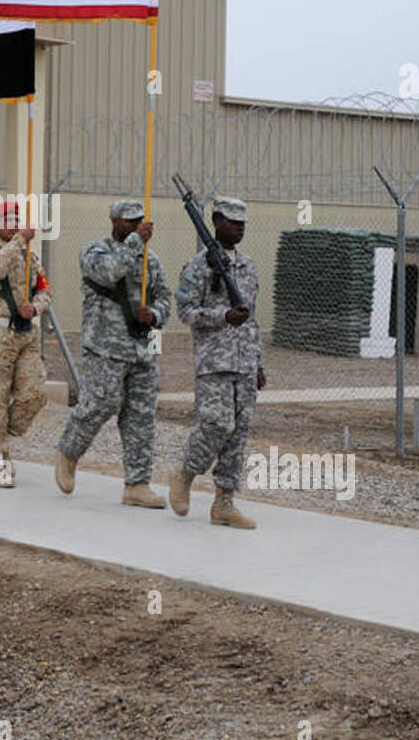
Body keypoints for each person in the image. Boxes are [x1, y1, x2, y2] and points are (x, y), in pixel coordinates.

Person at [56, 199, 170, 507]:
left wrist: (155, 315)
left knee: (141, 417)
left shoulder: (151, 260)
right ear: (114, 221)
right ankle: (69, 452)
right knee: (99, 404)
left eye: (139, 222)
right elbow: (109, 273)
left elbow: (165, 296)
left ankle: (137, 484)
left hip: (142, 349)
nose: (135, 226)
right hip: (106, 346)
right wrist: (135, 242)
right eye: (129, 221)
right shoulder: (95, 251)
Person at [168, 197, 266, 530]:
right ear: (216, 222)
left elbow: (252, 319)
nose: (238, 227)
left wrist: (259, 363)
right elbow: (186, 312)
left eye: (243, 223)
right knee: (215, 424)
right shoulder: (197, 266)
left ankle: (224, 502)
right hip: (214, 361)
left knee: (238, 434)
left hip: (245, 363)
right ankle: (185, 474)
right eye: (232, 221)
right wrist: (223, 316)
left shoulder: (248, 266)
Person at [0, 200, 50, 488]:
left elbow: (43, 290)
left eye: (17, 220)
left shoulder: (31, 257)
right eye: (8, 220)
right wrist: (18, 241)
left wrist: (36, 308)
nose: (14, 224)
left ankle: (0, 434)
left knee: (35, 393)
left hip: (25, 334)